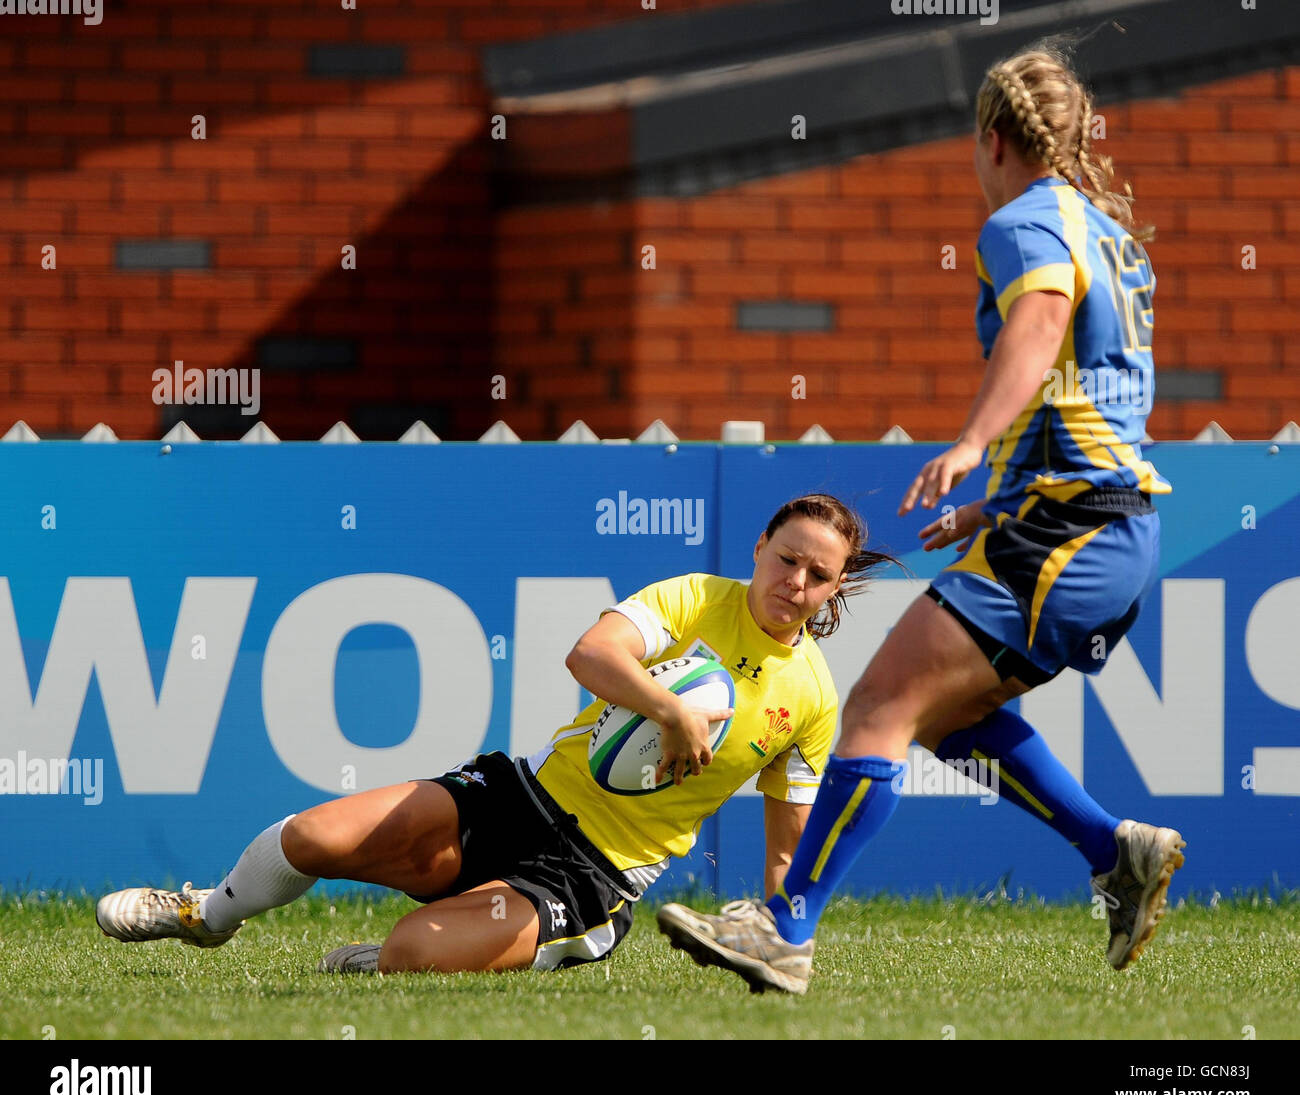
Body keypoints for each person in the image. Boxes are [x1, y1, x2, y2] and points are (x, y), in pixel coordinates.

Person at [657, 45, 1185, 995]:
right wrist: (997, 498)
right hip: (1100, 527)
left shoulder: (1024, 223)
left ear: (991, 139)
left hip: (1066, 536)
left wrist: (974, 438)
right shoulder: (1115, 236)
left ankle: (785, 927)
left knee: (876, 707)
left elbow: (1039, 326)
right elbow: (1094, 402)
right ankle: (1116, 850)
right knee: (947, 715)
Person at [96, 494, 898, 974]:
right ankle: (208, 914)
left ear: (835, 587)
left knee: (413, 953)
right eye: (786, 559)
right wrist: (672, 708)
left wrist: (777, 928)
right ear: (760, 548)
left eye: (817, 575)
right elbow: (590, 653)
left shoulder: (817, 697)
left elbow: (791, 842)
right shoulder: (695, 596)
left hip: (596, 875)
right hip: (523, 794)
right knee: (312, 835)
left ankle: (442, 947)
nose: (795, 583)